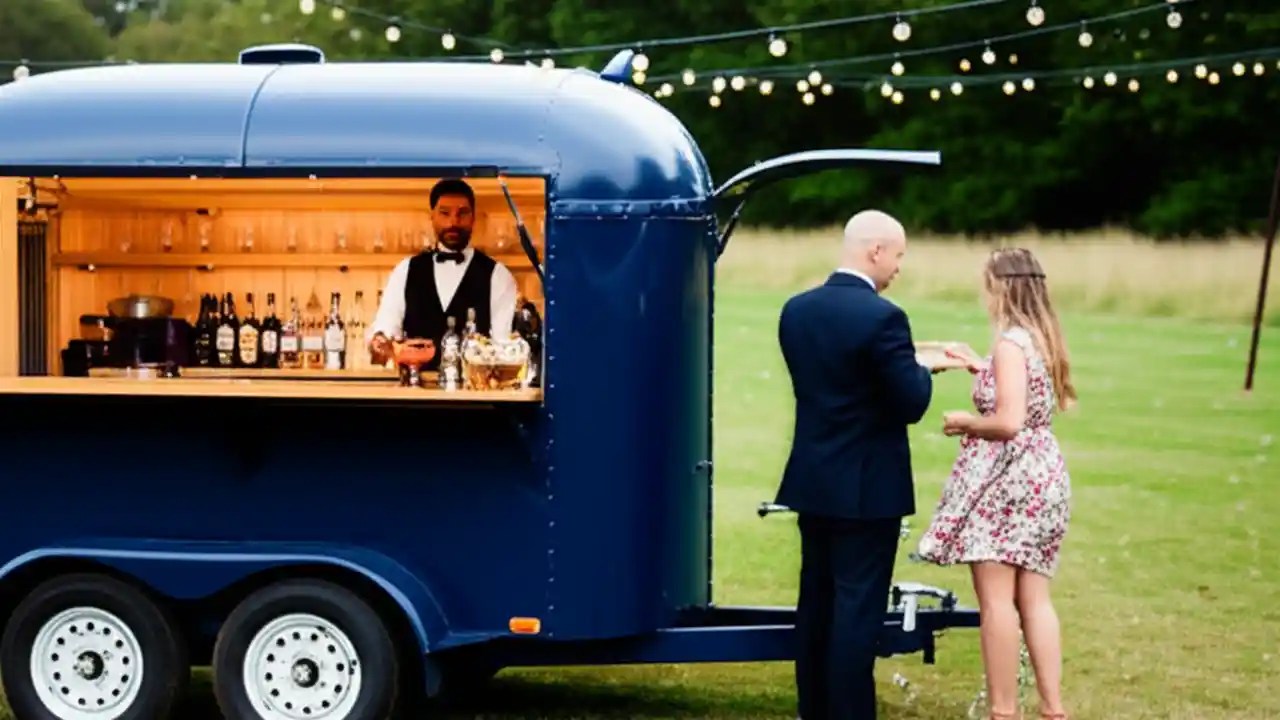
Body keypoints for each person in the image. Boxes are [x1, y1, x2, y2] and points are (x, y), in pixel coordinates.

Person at [775, 209, 955, 720]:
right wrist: (924, 367)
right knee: (857, 613)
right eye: (898, 255)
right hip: (867, 488)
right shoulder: (884, 318)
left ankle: (815, 709)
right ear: (876, 251)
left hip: (814, 479)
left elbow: (839, 381)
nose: (899, 267)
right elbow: (911, 402)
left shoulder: (797, 309)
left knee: (817, 606)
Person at [914, 247, 1076, 720]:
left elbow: (1008, 421)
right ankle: (1052, 708)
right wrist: (977, 365)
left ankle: (1003, 712)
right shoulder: (1043, 339)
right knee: (1035, 598)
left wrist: (965, 421)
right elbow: (1026, 401)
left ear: (1002, 288)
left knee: (996, 601)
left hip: (1008, 481)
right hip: (1044, 475)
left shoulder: (1010, 344)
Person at [367, 178, 519, 368]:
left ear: (473, 218)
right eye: (445, 213)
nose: (453, 222)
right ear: (432, 216)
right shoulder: (405, 270)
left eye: (462, 213)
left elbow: (503, 347)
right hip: (414, 392)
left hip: (475, 393)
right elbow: (386, 327)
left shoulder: (498, 275)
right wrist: (380, 342)